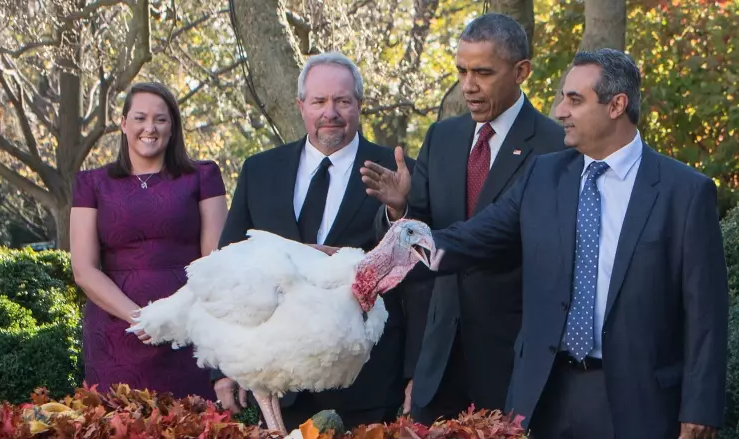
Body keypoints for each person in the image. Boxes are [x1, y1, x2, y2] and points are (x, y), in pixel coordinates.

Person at [365, 48, 728, 438]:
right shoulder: (544, 175)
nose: (559, 111)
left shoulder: (684, 192)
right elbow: (471, 239)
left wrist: (700, 406)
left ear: (616, 105)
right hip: (544, 393)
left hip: (636, 399)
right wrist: (386, 251)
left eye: (575, 100)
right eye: (561, 98)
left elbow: (705, 312)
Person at [363, 13, 566, 424]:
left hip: (513, 359)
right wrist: (400, 209)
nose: (468, 85)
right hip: (439, 358)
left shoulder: (556, 146)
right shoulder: (443, 137)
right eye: (461, 70)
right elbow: (426, 234)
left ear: (521, 71)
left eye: (483, 73)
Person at [210, 52, 420, 430]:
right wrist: (222, 369)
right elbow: (227, 269)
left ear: (359, 105)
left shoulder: (395, 170)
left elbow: (416, 280)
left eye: (342, 101)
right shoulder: (260, 171)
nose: (331, 112)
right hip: (277, 383)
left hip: (365, 381)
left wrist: (399, 209)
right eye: (319, 101)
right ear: (300, 106)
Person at [70, 82, 229, 400]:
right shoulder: (91, 184)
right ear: (124, 124)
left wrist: (171, 315)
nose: (150, 128)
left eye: (161, 119)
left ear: (173, 127)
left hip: (188, 330)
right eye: (140, 118)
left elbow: (215, 264)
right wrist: (140, 319)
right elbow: (84, 270)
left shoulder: (203, 177)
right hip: (117, 332)